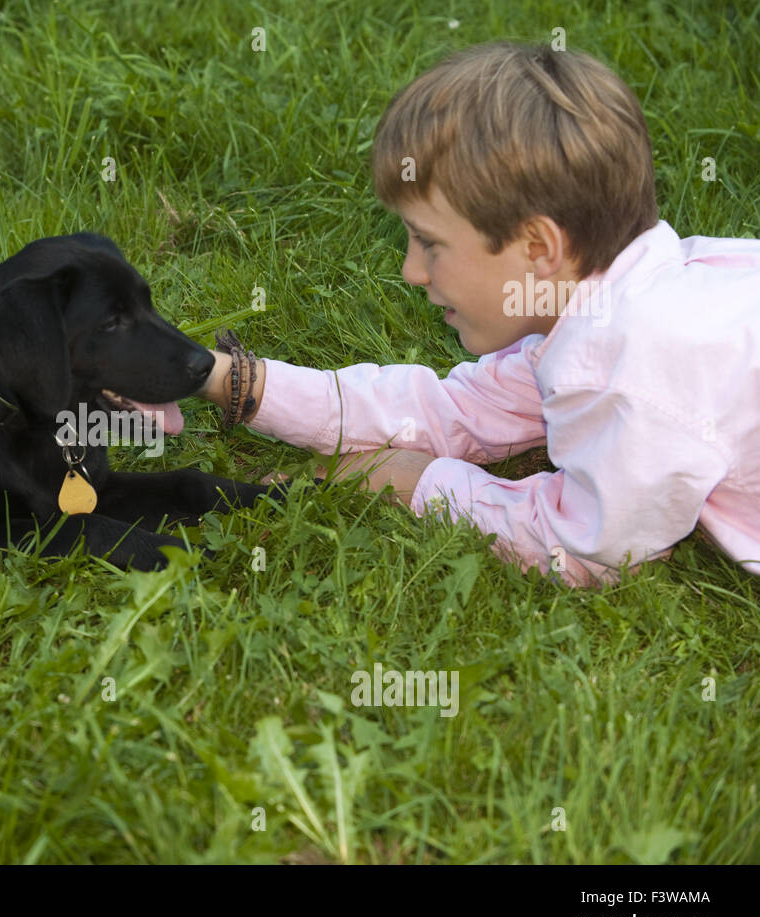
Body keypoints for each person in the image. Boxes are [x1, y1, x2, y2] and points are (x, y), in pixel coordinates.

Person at [196, 42, 760, 587]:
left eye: (430, 244)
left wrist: (415, 482)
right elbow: (454, 411)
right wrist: (227, 379)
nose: (411, 271)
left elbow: (585, 548)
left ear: (538, 248)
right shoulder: (604, 302)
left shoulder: (637, 370)